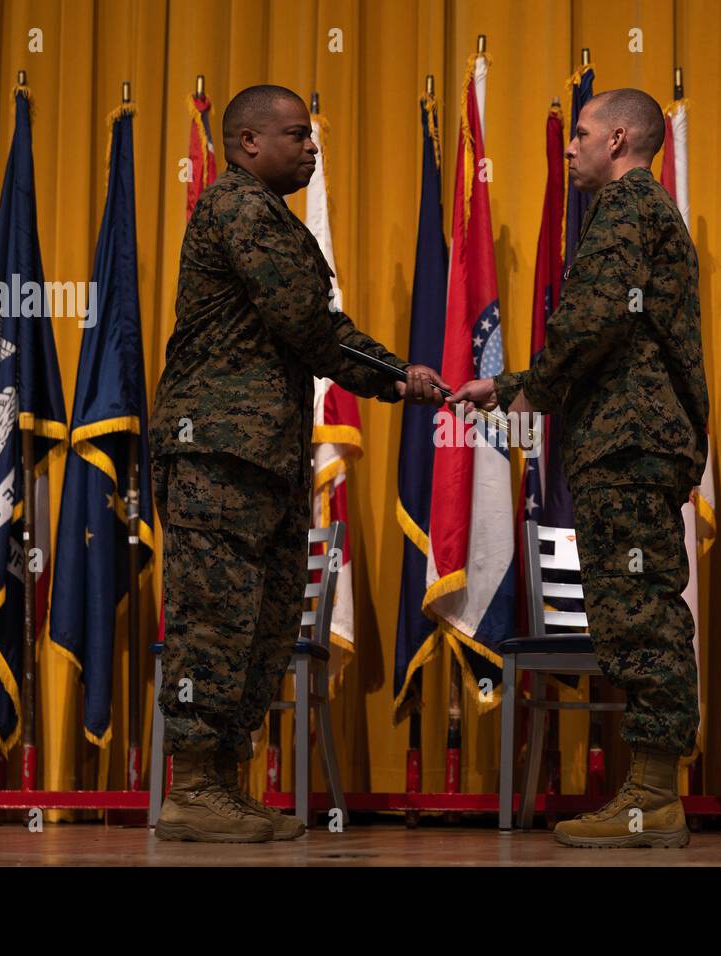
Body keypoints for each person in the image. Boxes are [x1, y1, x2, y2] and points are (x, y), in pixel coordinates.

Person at [151, 85, 447, 843]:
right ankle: (189, 787)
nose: (312, 147)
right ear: (248, 143)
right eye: (296, 134)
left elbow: (314, 327)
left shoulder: (268, 214)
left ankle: (224, 780)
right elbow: (312, 326)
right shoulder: (239, 207)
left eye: (312, 135)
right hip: (216, 450)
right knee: (214, 620)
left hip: (259, 457)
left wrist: (395, 375)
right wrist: (398, 377)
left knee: (263, 619)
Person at [451, 88, 710, 848]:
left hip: (630, 442)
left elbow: (592, 316)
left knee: (641, 613)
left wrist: (523, 387)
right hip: (633, 440)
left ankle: (655, 798)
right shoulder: (643, 209)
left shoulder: (628, 208)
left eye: (583, 135)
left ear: (620, 139)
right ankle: (650, 790)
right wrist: (511, 385)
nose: (570, 149)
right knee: (638, 609)